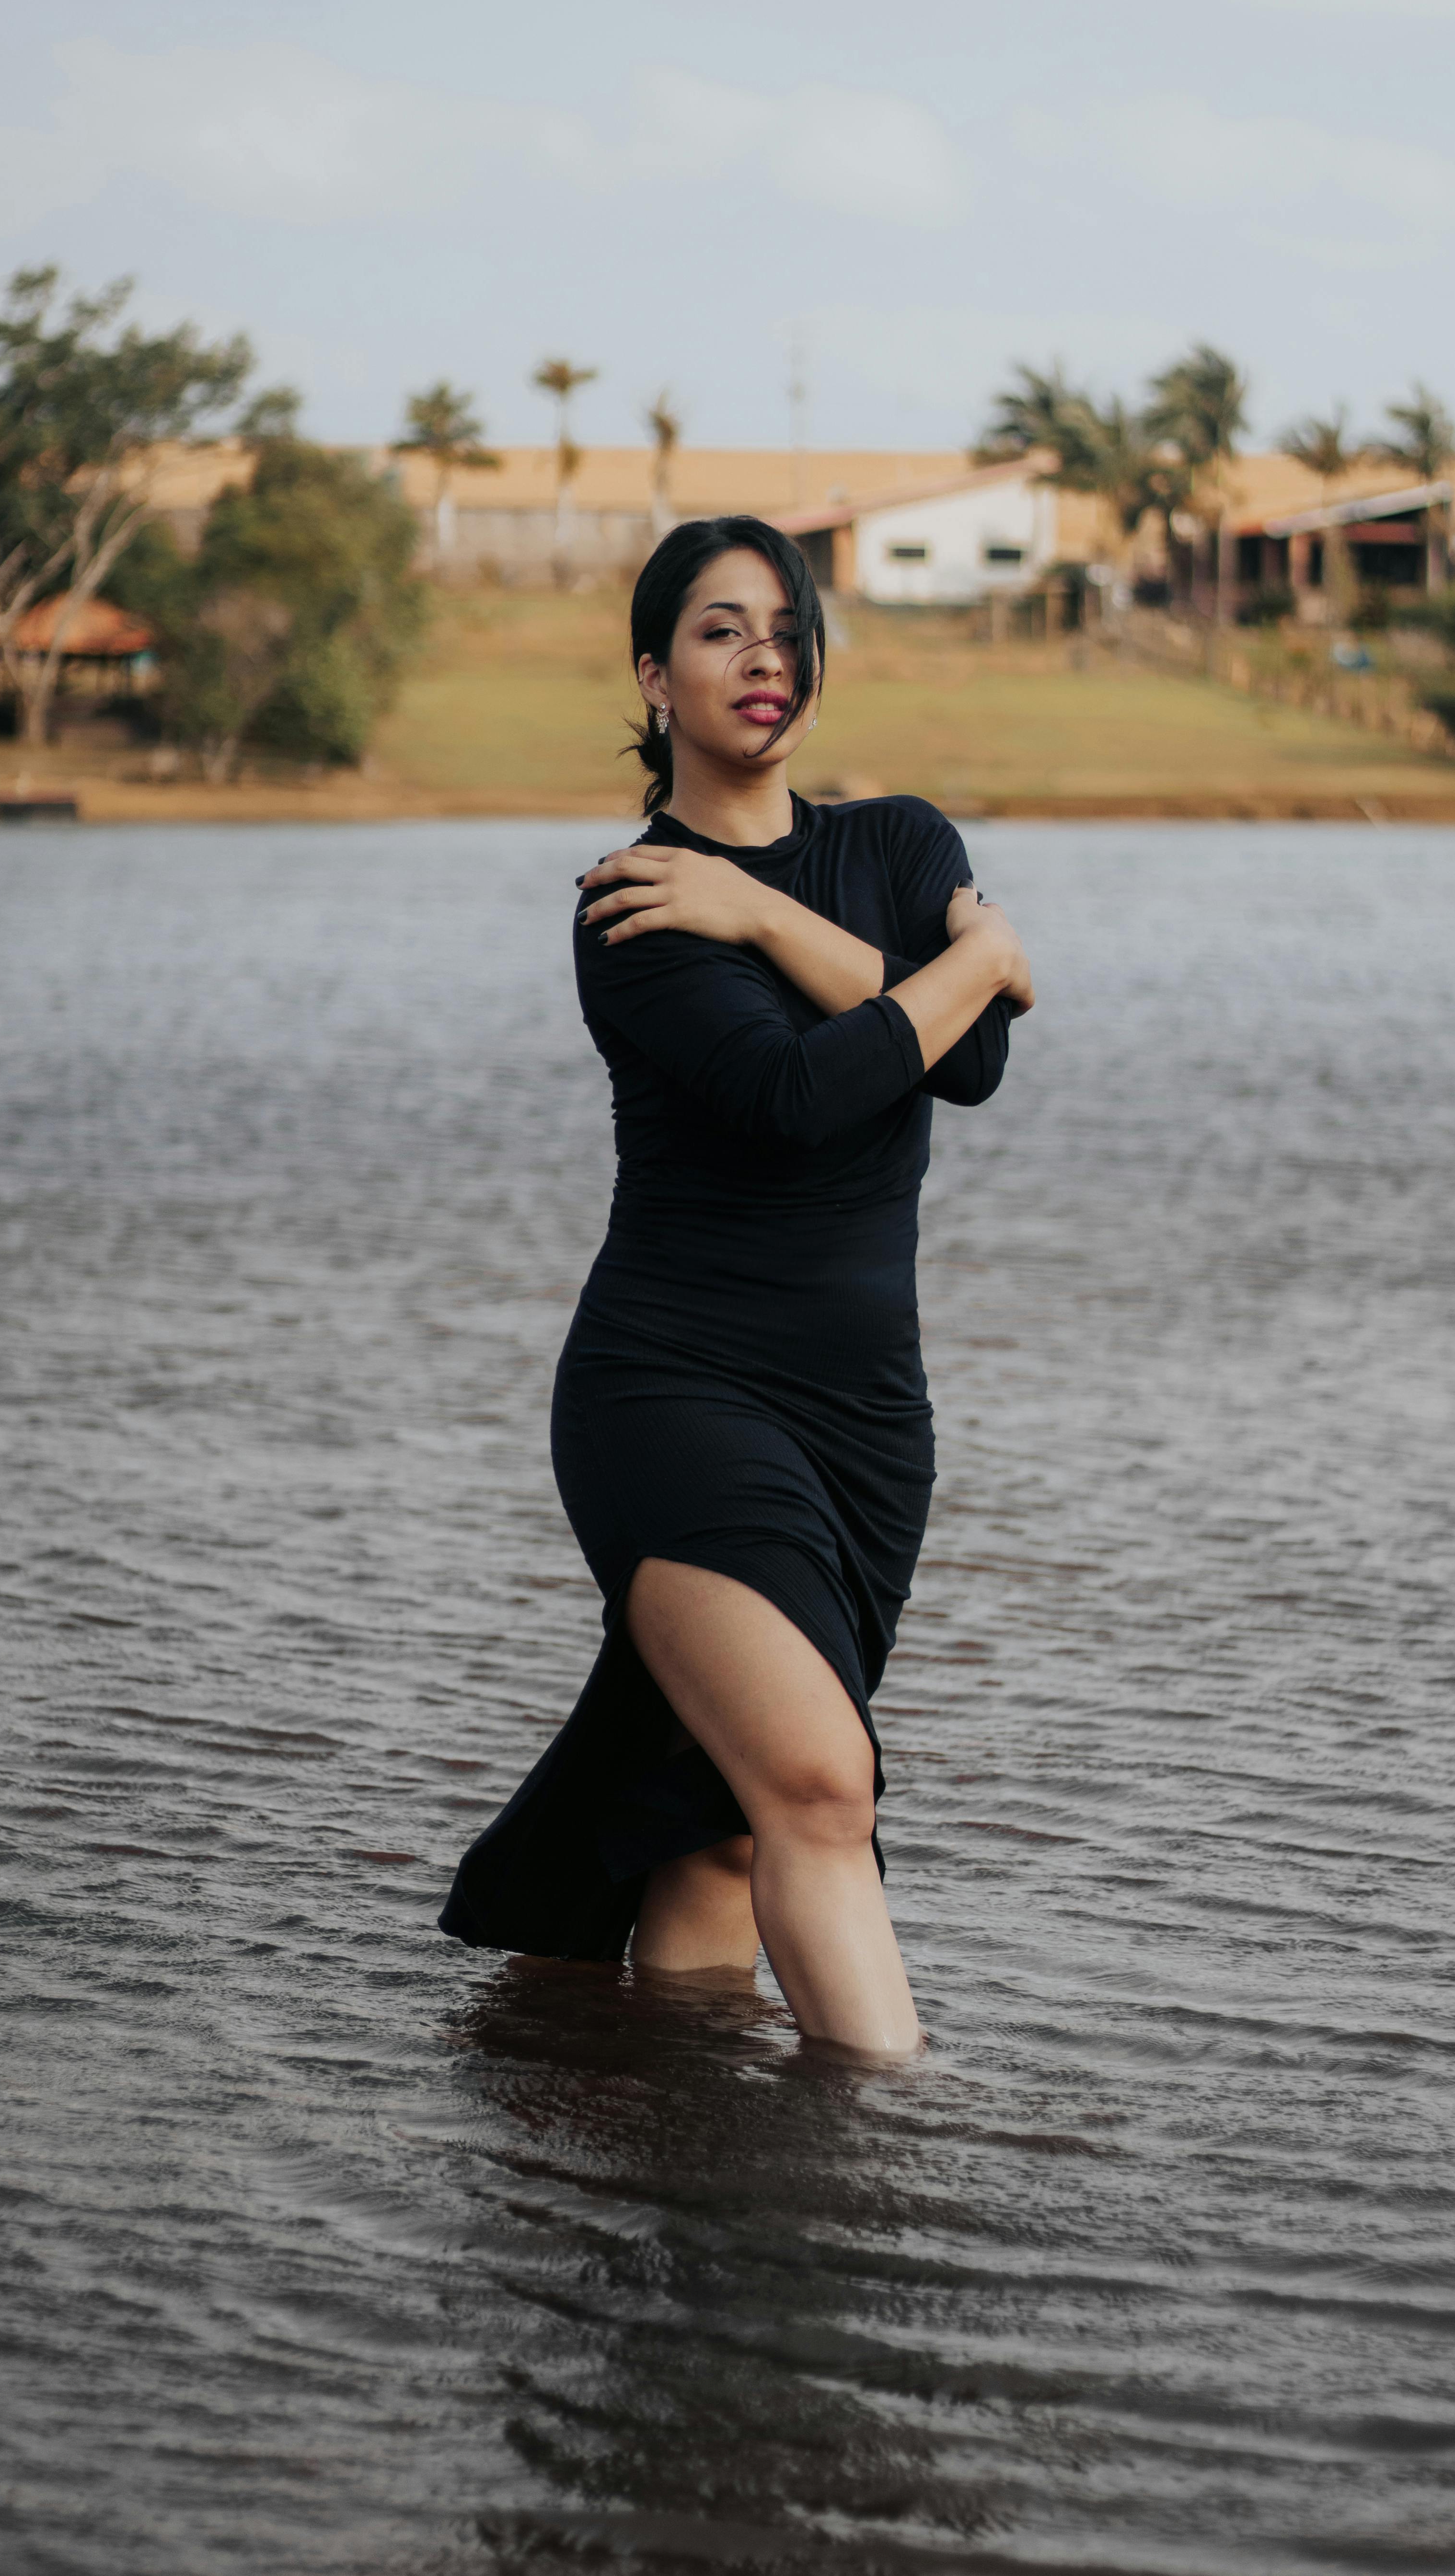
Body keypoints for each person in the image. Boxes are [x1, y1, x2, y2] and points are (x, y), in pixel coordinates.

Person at [439, 516, 1032, 2054]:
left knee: (721, 1821)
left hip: (868, 1429)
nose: (765, 654)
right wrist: (981, 958)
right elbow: (795, 1094)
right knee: (821, 1784)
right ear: (653, 677)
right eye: (719, 630)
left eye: (785, 627)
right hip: (674, 1394)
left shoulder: (898, 845)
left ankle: (678, 2136)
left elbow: (962, 1064)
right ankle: (894, 2166)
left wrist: (767, 911)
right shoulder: (632, 901)